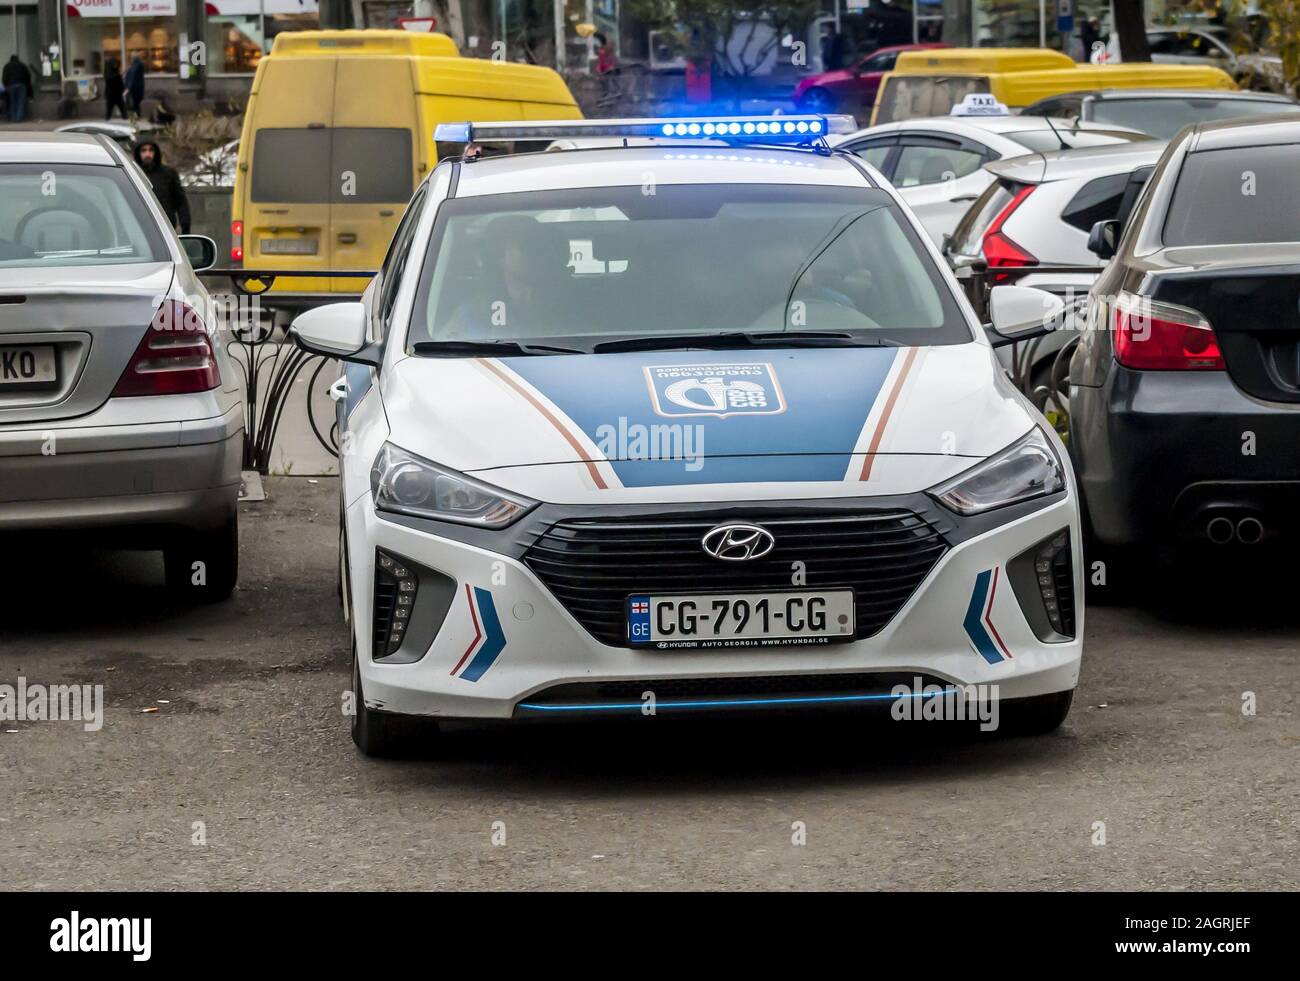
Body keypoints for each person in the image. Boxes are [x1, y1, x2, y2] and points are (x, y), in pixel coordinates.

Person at [133, 140, 191, 234]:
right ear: (138, 153)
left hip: (166, 229)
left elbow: (181, 202)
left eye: (151, 150)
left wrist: (185, 228)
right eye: (143, 150)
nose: (148, 154)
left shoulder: (168, 174)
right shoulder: (133, 174)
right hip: (139, 229)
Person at [2, 54, 32, 123]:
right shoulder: (22, 65)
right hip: (22, 85)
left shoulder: (7, 66)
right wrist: (28, 85)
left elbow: (4, 77)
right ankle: (19, 118)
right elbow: (27, 76)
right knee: (20, 102)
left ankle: (13, 118)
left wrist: (5, 85)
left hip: (11, 85)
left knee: (12, 102)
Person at [103, 56, 127, 121]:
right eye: (115, 64)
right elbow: (110, 79)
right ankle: (107, 120)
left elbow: (119, 82)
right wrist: (120, 75)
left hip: (117, 94)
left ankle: (125, 119)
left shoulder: (115, 71)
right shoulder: (108, 71)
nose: (116, 66)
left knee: (123, 109)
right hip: (111, 94)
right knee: (109, 110)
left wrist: (123, 88)